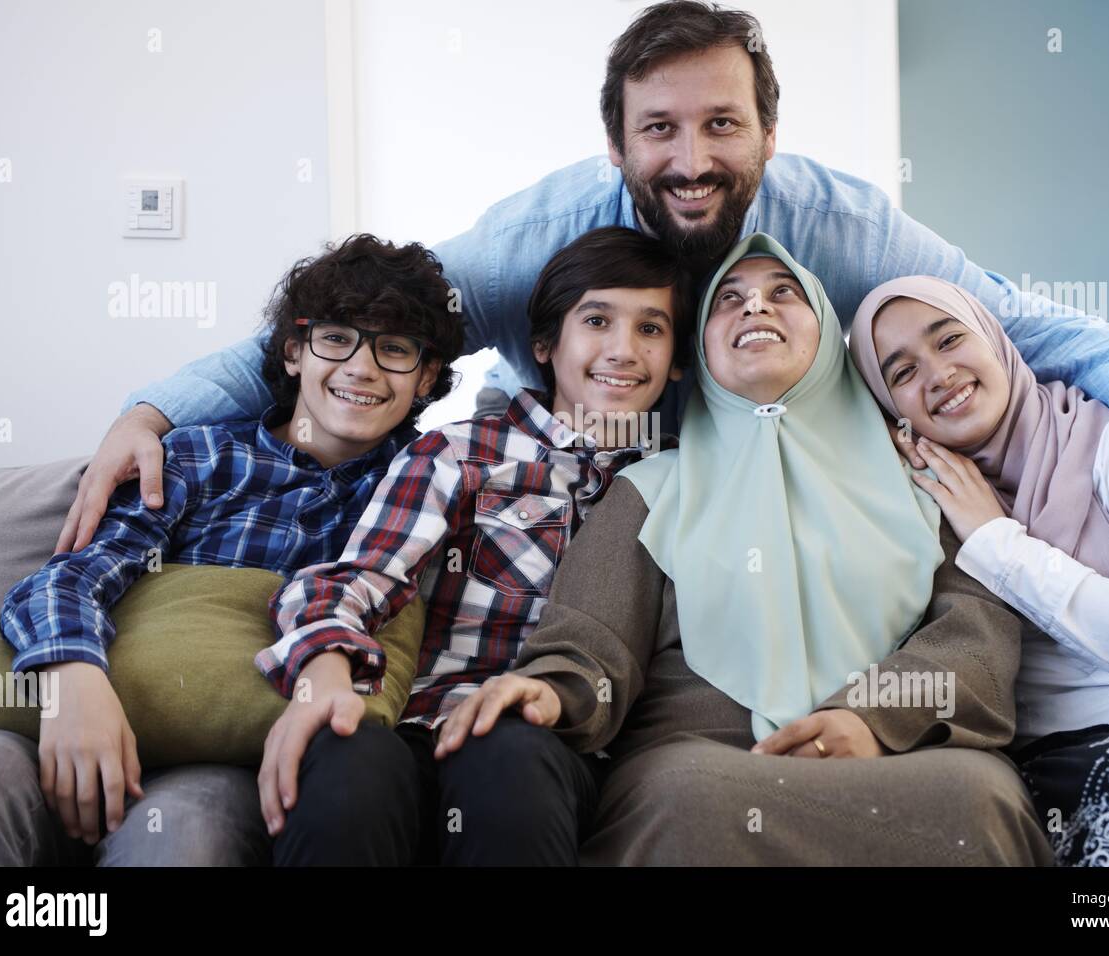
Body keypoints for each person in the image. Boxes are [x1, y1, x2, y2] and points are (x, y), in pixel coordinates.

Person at [59, 2, 1109, 607]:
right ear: (617, 142)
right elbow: (367, 320)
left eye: (721, 125)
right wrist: (155, 409)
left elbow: (1018, 323)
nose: (690, 157)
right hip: (583, 503)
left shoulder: (843, 222)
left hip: (768, 495)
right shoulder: (536, 239)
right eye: (659, 130)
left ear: (766, 132)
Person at [437, 233, 1052, 865]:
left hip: (904, 753)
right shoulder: (649, 490)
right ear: (698, 351)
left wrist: (869, 719)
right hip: (708, 760)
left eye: (783, 293)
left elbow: (976, 635)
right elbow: (591, 643)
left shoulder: (927, 478)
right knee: (688, 796)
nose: (755, 307)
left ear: (828, 336)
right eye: (728, 300)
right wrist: (549, 690)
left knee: (976, 799)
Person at [0, 234, 462, 866]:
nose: (361, 367)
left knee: (182, 834)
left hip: (219, 755)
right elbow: (75, 575)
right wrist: (71, 678)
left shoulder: (422, 488)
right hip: (89, 701)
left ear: (427, 377)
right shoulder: (199, 455)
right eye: (337, 338)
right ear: (294, 351)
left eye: (394, 349)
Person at [259, 227, 692, 865]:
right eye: (596, 320)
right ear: (544, 345)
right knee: (349, 757)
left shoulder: (682, 481)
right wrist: (324, 674)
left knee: (508, 756)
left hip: (551, 742)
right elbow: (359, 579)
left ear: (678, 359)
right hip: (421, 722)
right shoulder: (463, 451)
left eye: (651, 329)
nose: (623, 350)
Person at [847, 276, 1109, 866]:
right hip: (1081, 753)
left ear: (995, 340)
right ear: (889, 409)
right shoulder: (921, 508)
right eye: (902, 373)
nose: (939, 375)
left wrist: (997, 541)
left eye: (950, 339)